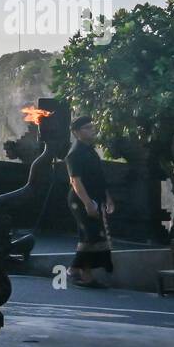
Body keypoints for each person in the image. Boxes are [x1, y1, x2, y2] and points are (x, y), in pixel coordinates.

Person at [65, 116, 114, 288]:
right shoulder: (75, 153)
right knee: (91, 236)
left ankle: (86, 276)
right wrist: (87, 203)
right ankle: (72, 270)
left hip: (95, 197)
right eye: (86, 128)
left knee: (92, 237)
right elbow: (75, 181)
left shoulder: (90, 151)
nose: (91, 130)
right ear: (77, 132)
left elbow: (99, 177)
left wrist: (107, 198)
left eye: (91, 127)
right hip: (80, 200)